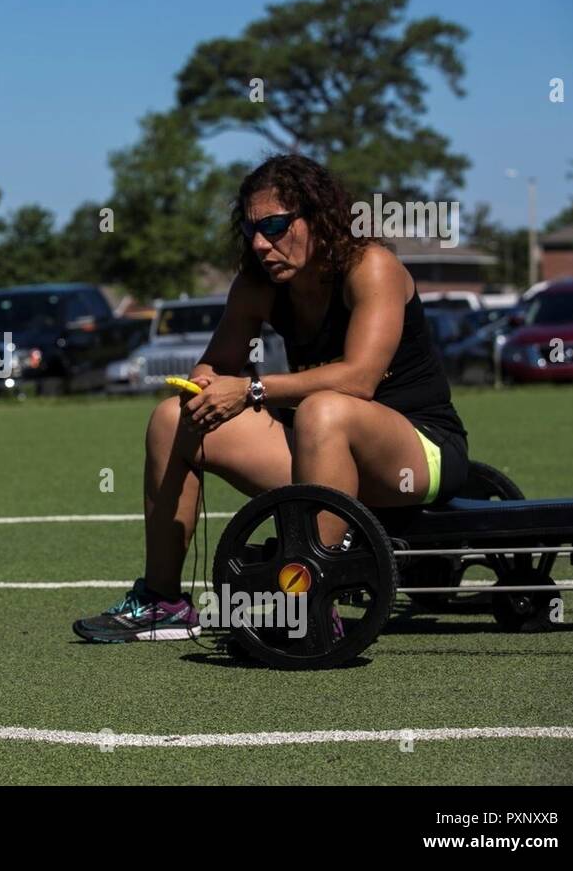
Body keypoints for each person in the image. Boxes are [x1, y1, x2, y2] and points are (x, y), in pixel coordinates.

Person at [74, 154, 469, 643]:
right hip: (320, 448)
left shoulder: (371, 267)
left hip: (417, 452)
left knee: (327, 408)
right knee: (172, 419)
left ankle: (310, 604)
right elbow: (215, 365)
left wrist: (252, 389)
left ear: (318, 217)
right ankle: (162, 601)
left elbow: (360, 378)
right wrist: (204, 384)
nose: (261, 244)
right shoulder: (257, 286)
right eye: (251, 230)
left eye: (276, 226)